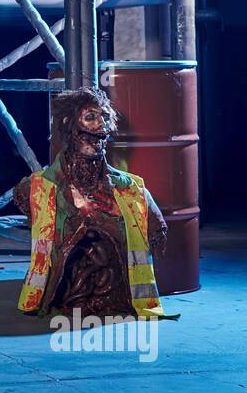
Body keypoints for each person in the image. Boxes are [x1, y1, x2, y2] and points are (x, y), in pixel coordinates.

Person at [13, 86, 180, 321]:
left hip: (119, 307)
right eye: (90, 117)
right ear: (70, 127)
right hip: (60, 304)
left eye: (104, 117)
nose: (101, 124)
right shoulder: (37, 187)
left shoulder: (131, 190)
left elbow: (156, 233)